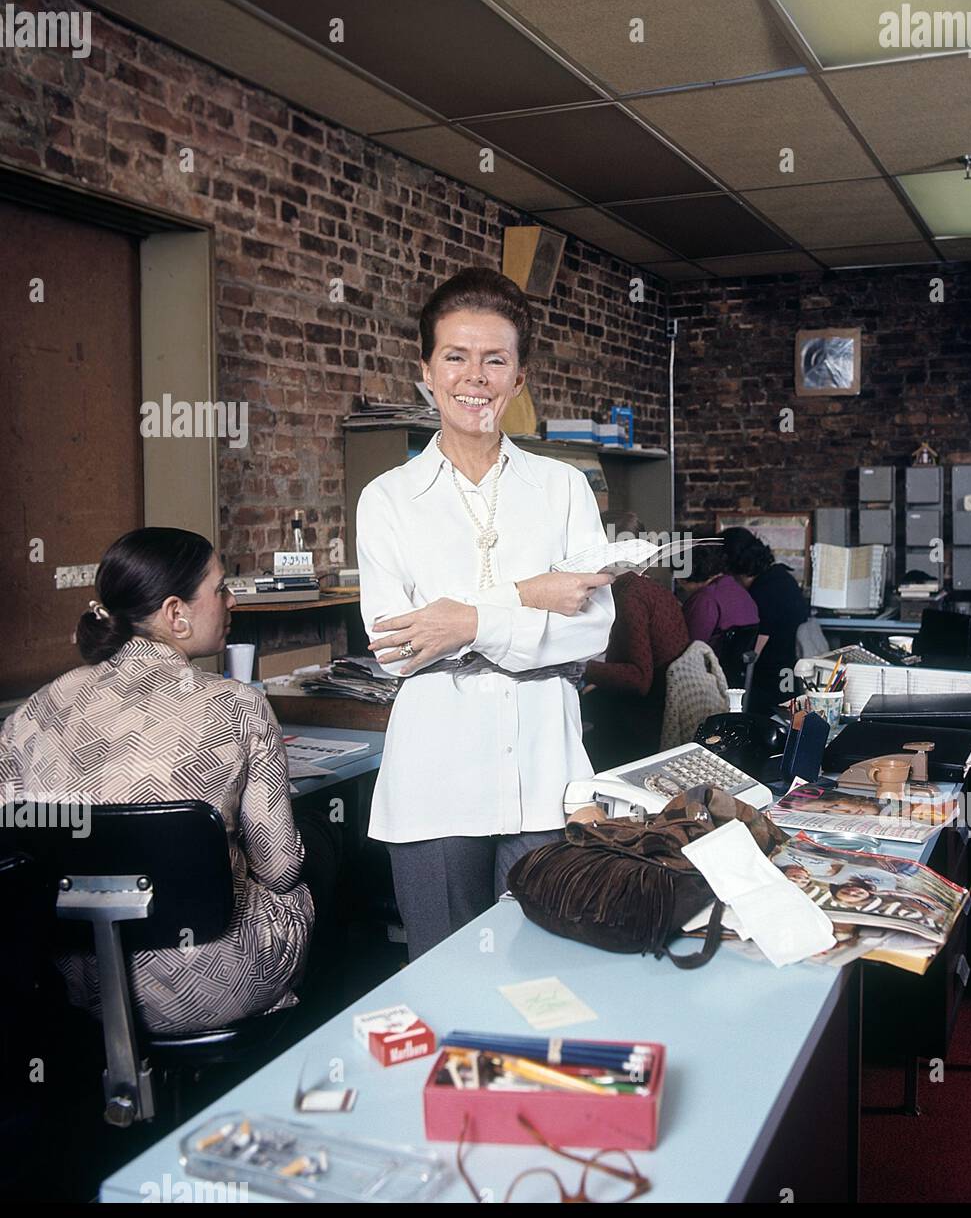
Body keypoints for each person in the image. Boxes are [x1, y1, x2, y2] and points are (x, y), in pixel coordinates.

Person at [356, 268, 615, 959]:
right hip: (433, 783)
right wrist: (529, 597)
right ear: (427, 372)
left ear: (519, 379)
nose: (476, 377)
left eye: (495, 359)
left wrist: (466, 623)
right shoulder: (387, 499)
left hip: (548, 775)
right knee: (442, 979)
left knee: (548, 976)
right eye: (456, 357)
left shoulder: (563, 489)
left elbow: (593, 628)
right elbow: (396, 647)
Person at [0, 528, 327, 1033]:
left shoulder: (32, 714)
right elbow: (280, 869)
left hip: (80, 982)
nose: (232, 599)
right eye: (220, 589)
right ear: (176, 614)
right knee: (312, 864)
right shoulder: (237, 705)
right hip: (217, 975)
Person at [580, 510, 689, 770]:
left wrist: (580, 667)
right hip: (658, 710)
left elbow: (638, 679)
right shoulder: (652, 588)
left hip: (640, 727)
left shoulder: (629, 597)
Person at [721, 527, 810, 716]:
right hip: (791, 677)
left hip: (772, 686)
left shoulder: (763, 592)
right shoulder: (782, 577)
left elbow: (752, 654)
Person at [678, 534, 758, 677]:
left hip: (708, 681)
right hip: (735, 681)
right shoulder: (740, 592)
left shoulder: (705, 599)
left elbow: (686, 651)